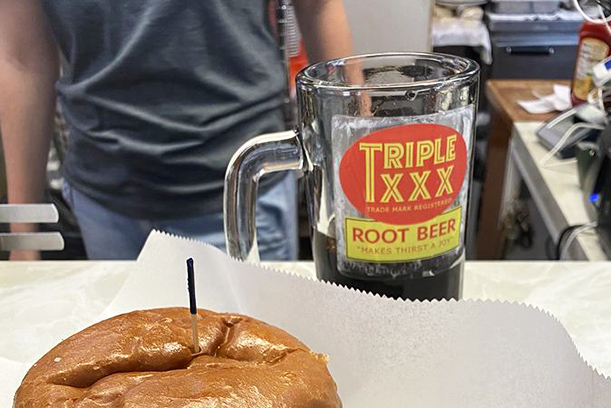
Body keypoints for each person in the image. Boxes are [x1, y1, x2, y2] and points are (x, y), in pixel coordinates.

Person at [0, 0, 353, 261]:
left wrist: (353, 185)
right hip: (106, 199)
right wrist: (24, 237)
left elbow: (317, 7)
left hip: (242, 190)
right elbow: (22, 57)